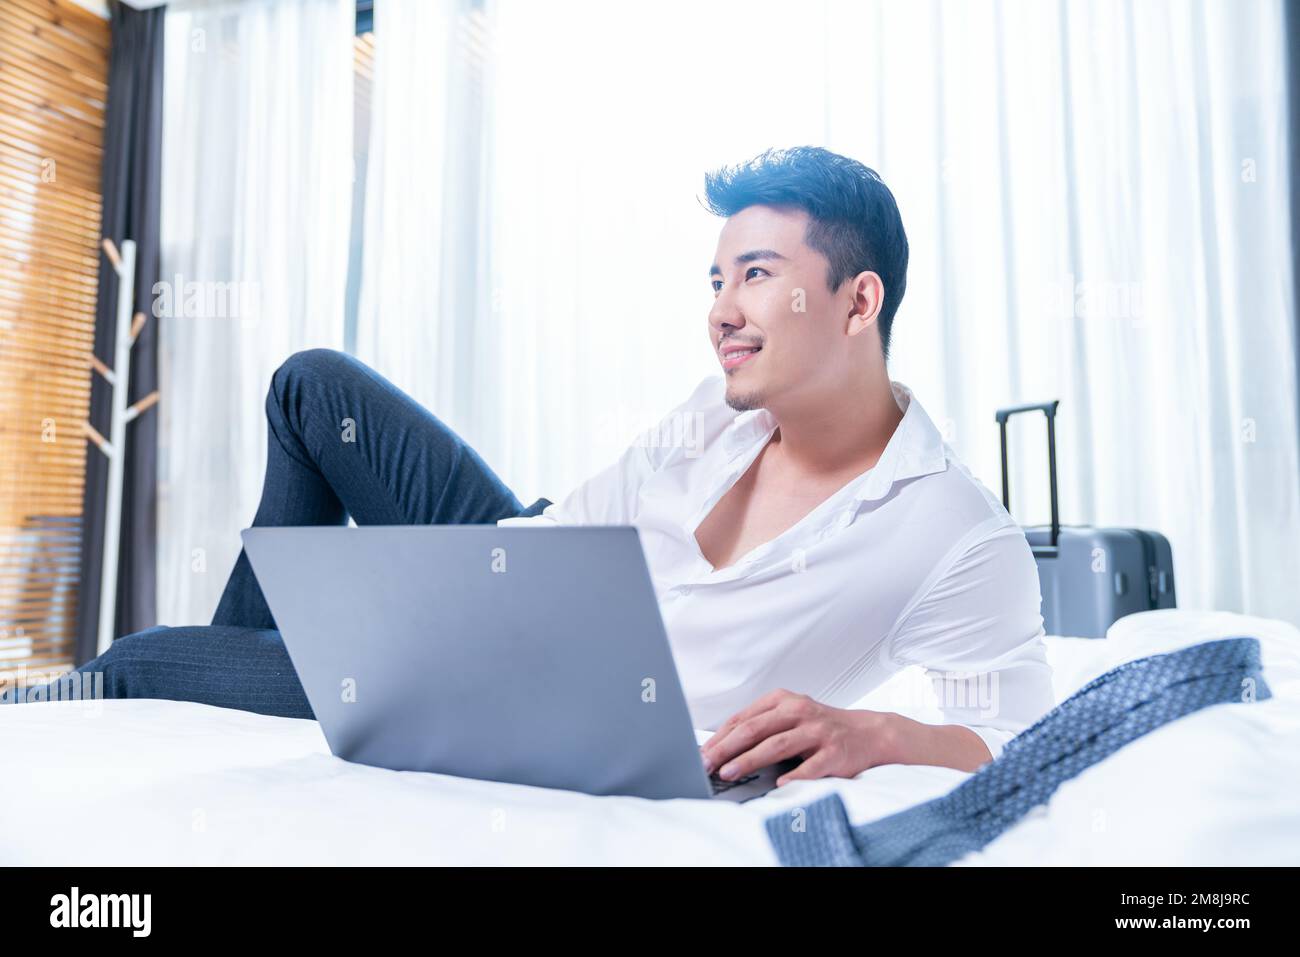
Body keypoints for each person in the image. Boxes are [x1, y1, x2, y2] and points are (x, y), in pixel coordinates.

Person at [17, 146, 1053, 787]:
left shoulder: (951, 529)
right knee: (312, 388)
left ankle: (206, 678)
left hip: (539, 684)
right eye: (714, 278)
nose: (721, 310)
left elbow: (1014, 733)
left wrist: (874, 731)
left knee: (150, 658)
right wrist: (458, 580)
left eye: (756, 275)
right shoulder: (723, 412)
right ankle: (251, 666)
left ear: (857, 302)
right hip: (523, 563)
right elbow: (589, 517)